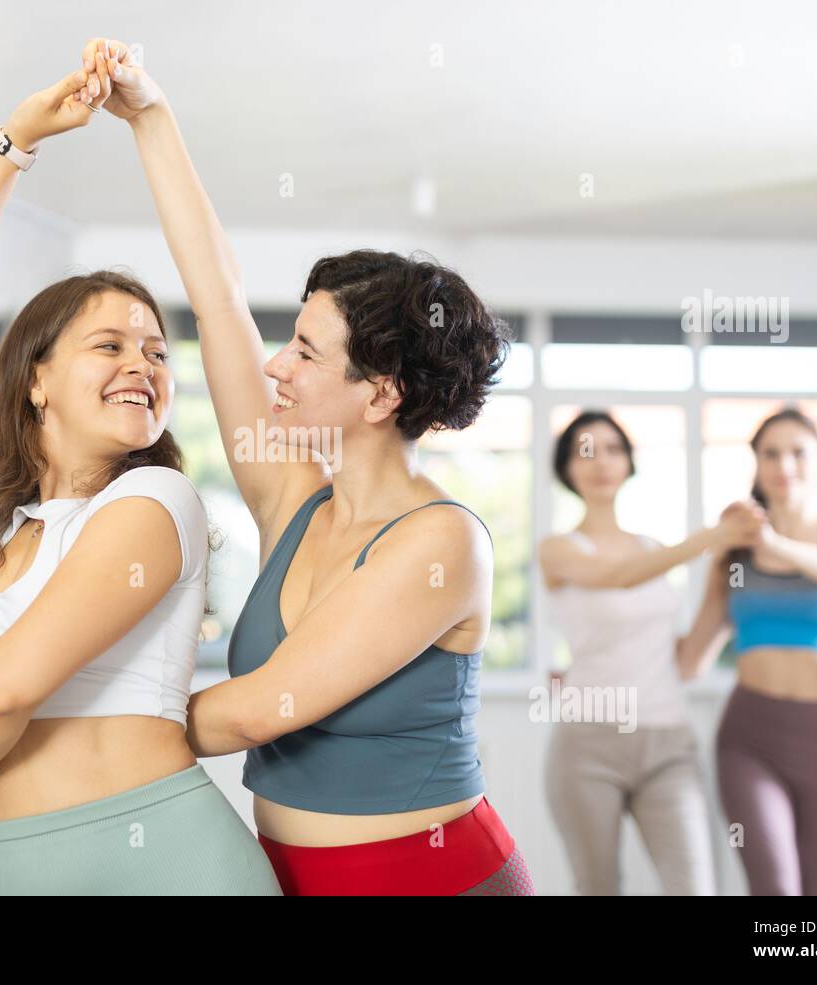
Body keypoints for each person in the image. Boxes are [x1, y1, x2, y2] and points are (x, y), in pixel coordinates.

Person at [77, 37, 533, 895]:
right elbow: (216, 299)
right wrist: (151, 117)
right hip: (295, 877)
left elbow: (260, 707)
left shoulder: (442, 544)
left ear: (380, 395)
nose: (277, 367)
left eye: (307, 353)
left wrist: (63, 713)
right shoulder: (297, 499)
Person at [0, 59, 281, 895]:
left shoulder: (155, 502)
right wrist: (15, 142)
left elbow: (2, 693)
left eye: (154, 351)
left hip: (168, 862)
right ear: (35, 377)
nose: (141, 364)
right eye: (109, 345)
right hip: (26, 866)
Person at [538, 409, 764, 895]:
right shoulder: (559, 550)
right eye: (586, 450)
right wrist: (712, 538)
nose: (601, 461)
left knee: (695, 888)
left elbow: (685, 661)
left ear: (629, 463)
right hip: (588, 744)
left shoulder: (653, 548)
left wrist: (726, 564)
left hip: (667, 742)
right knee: (599, 887)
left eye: (614, 449)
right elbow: (619, 577)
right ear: (566, 469)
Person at [678, 407, 817, 895]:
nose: (784, 464)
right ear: (757, 465)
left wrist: (772, 542)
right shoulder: (735, 558)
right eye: (771, 453)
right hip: (750, 739)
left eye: (798, 452)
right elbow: (690, 662)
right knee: (776, 891)